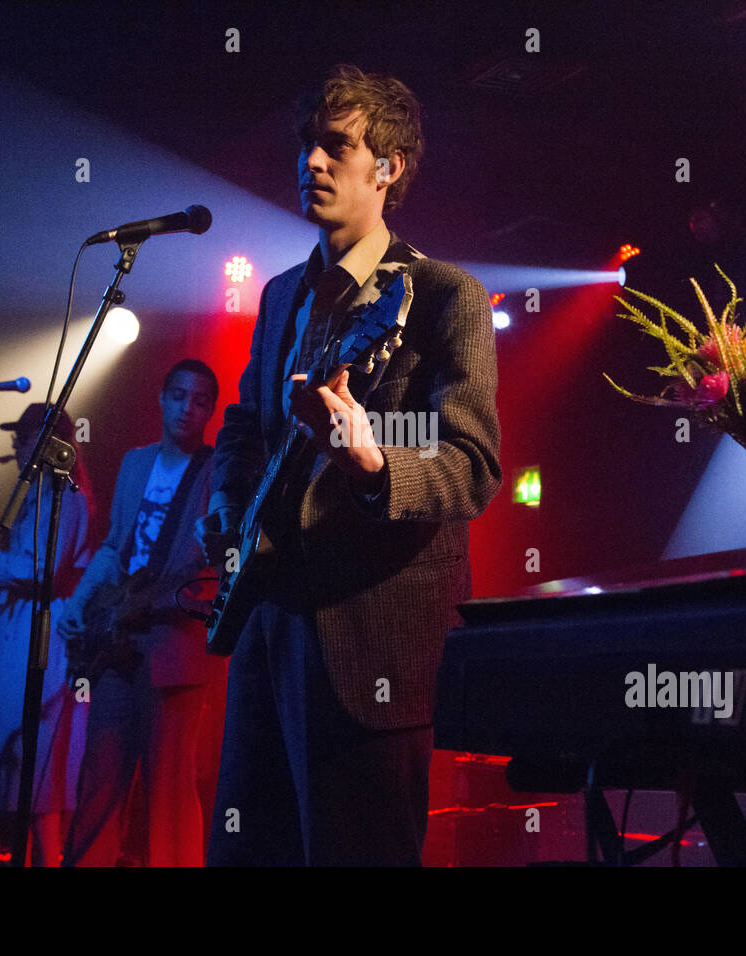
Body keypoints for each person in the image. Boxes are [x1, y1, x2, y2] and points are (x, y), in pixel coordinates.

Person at [196, 64, 501, 865]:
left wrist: (375, 464)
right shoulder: (280, 294)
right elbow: (243, 430)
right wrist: (229, 510)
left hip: (373, 645)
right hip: (268, 630)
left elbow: (472, 464)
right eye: (309, 145)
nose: (313, 162)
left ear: (388, 167)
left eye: (337, 146)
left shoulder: (444, 296)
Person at [57, 359, 225, 866]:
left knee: (168, 793)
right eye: (178, 395)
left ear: (210, 411)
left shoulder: (217, 470)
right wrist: (80, 602)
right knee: (98, 783)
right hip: (117, 644)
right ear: (161, 397)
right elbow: (113, 545)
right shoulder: (135, 463)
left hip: (175, 648)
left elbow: (219, 559)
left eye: (199, 401)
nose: (186, 408)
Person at [0, 403, 93, 866]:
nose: (13, 444)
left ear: (51, 443)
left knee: (37, 768)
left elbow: (42, 572)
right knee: (19, 773)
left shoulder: (65, 497)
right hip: (19, 632)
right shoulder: (36, 494)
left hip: (44, 639)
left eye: (24, 437)